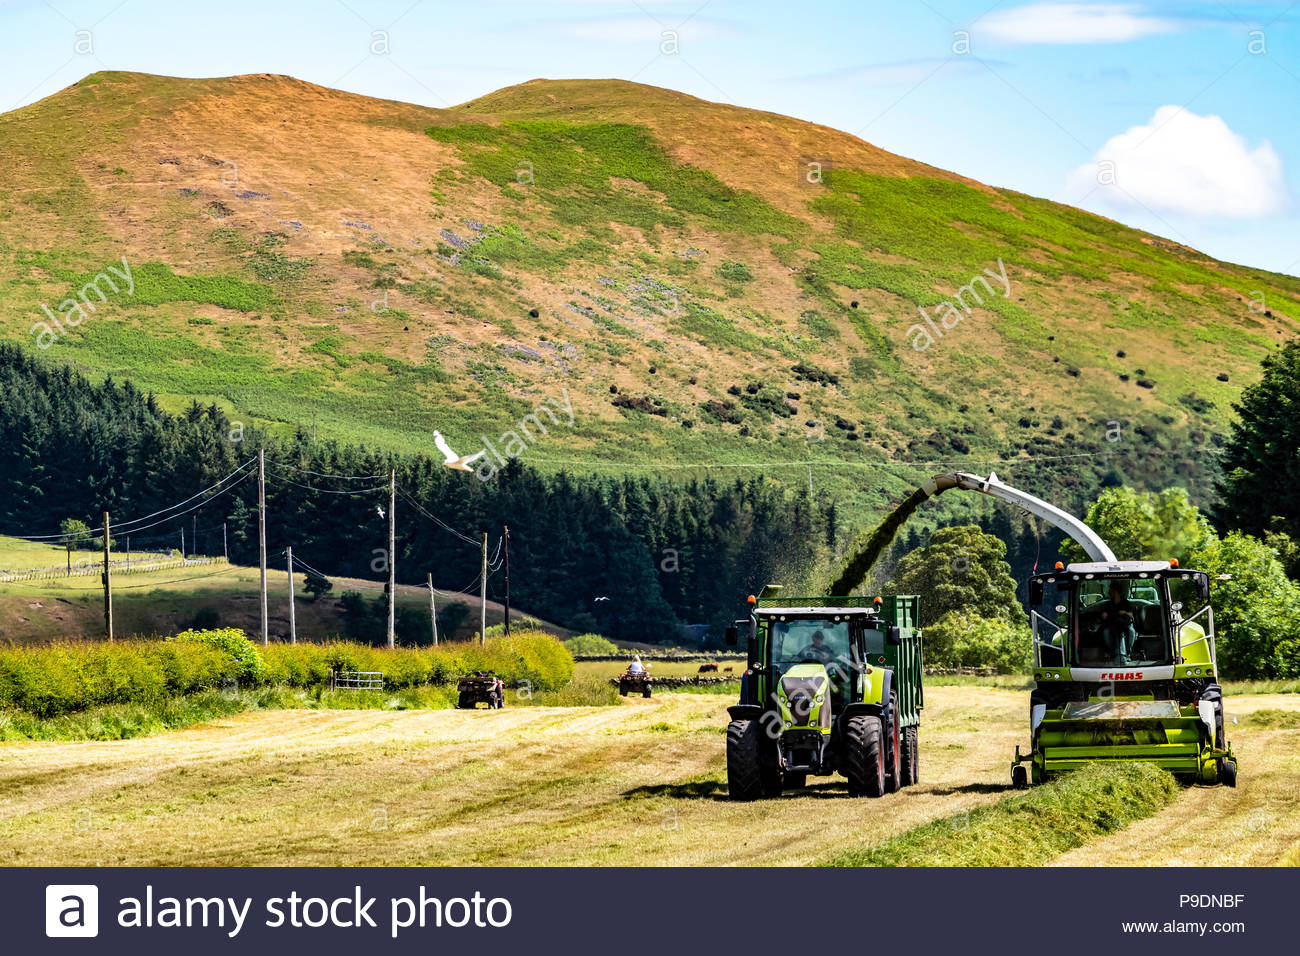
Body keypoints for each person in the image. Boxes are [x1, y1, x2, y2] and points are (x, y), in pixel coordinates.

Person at [1097, 580, 1137, 663]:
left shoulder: (1126, 603)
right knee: (1106, 632)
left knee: (1131, 631)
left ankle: (1127, 654)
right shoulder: (1108, 604)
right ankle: (1112, 652)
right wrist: (1105, 615)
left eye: (1110, 590)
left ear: (1116, 591)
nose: (1109, 592)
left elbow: (1131, 616)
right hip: (1111, 625)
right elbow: (1104, 616)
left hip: (1125, 625)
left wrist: (1124, 613)